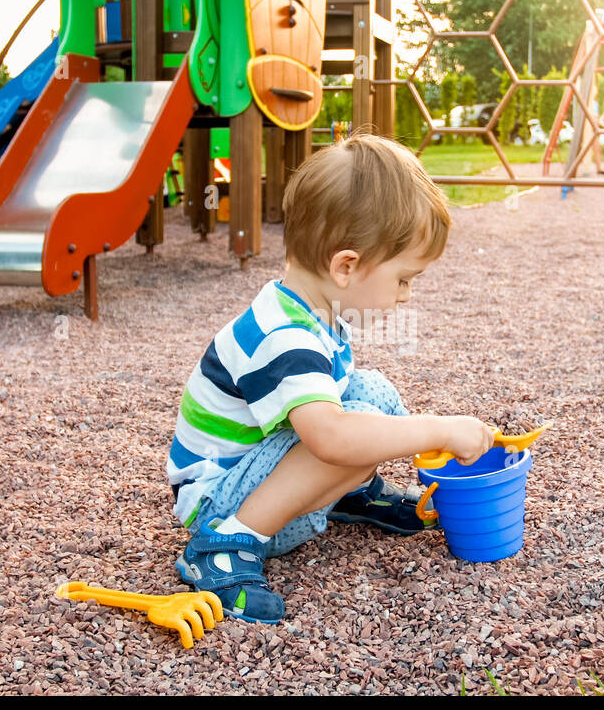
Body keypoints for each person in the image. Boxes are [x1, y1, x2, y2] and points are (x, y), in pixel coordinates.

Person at [166, 131, 496, 624]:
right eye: (403, 279)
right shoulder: (285, 337)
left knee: (373, 391)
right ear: (346, 266)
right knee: (350, 427)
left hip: (251, 470)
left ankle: (350, 493)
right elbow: (333, 437)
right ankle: (225, 545)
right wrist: (440, 429)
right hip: (219, 499)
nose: (406, 296)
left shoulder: (312, 309)